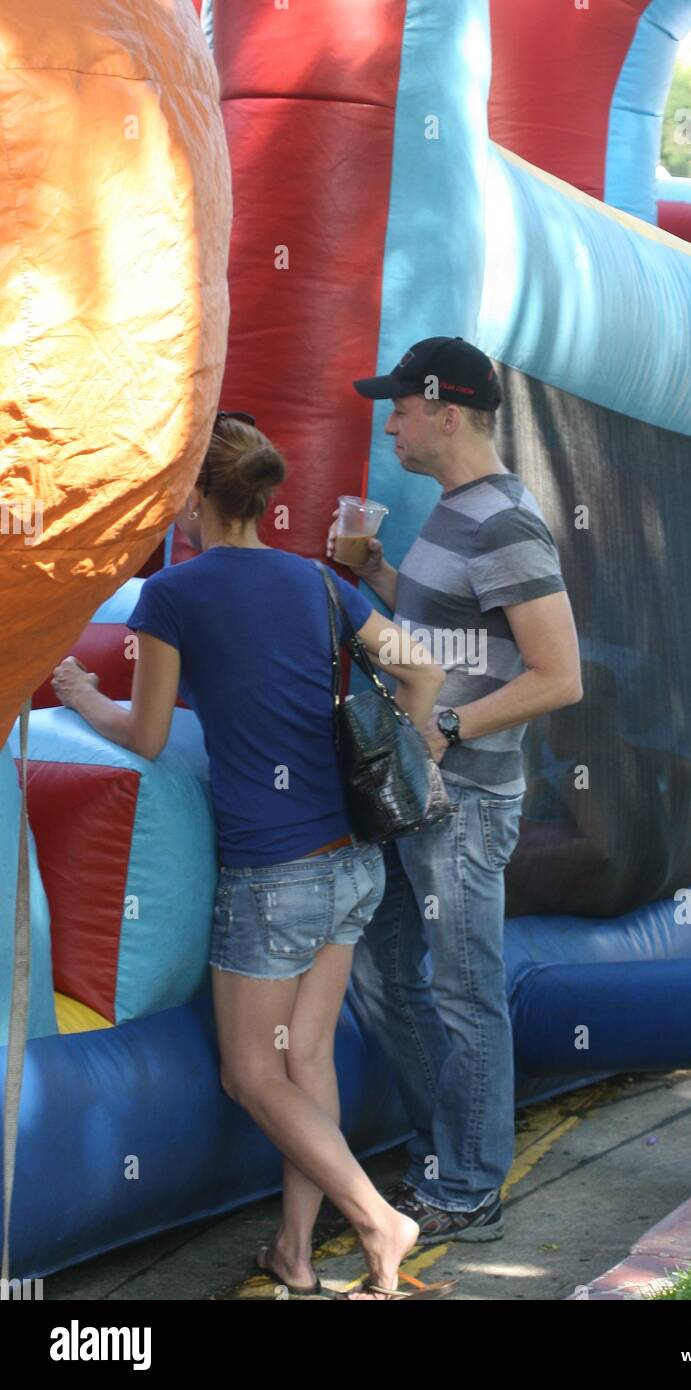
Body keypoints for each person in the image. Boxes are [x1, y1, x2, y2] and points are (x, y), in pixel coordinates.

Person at [50, 410, 456, 1300]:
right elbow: (424, 668)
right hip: (353, 858)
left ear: (196, 500)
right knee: (306, 1061)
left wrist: (79, 695)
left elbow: (147, 735)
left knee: (250, 1075)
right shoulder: (316, 581)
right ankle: (295, 1254)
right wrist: (416, 742)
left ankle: (378, 1218)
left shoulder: (173, 595)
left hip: (272, 873)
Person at [329, 337, 583, 1242]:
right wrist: (379, 577)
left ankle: (470, 1184)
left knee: (462, 991)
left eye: (399, 409)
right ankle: (440, 1158)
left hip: (465, 802)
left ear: (445, 413)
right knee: (386, 977)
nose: (389, 426)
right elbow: (452, 633)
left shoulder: (506, 524)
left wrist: (448, 727)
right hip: (416, 792)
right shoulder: (455, 507)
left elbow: (559, 676)